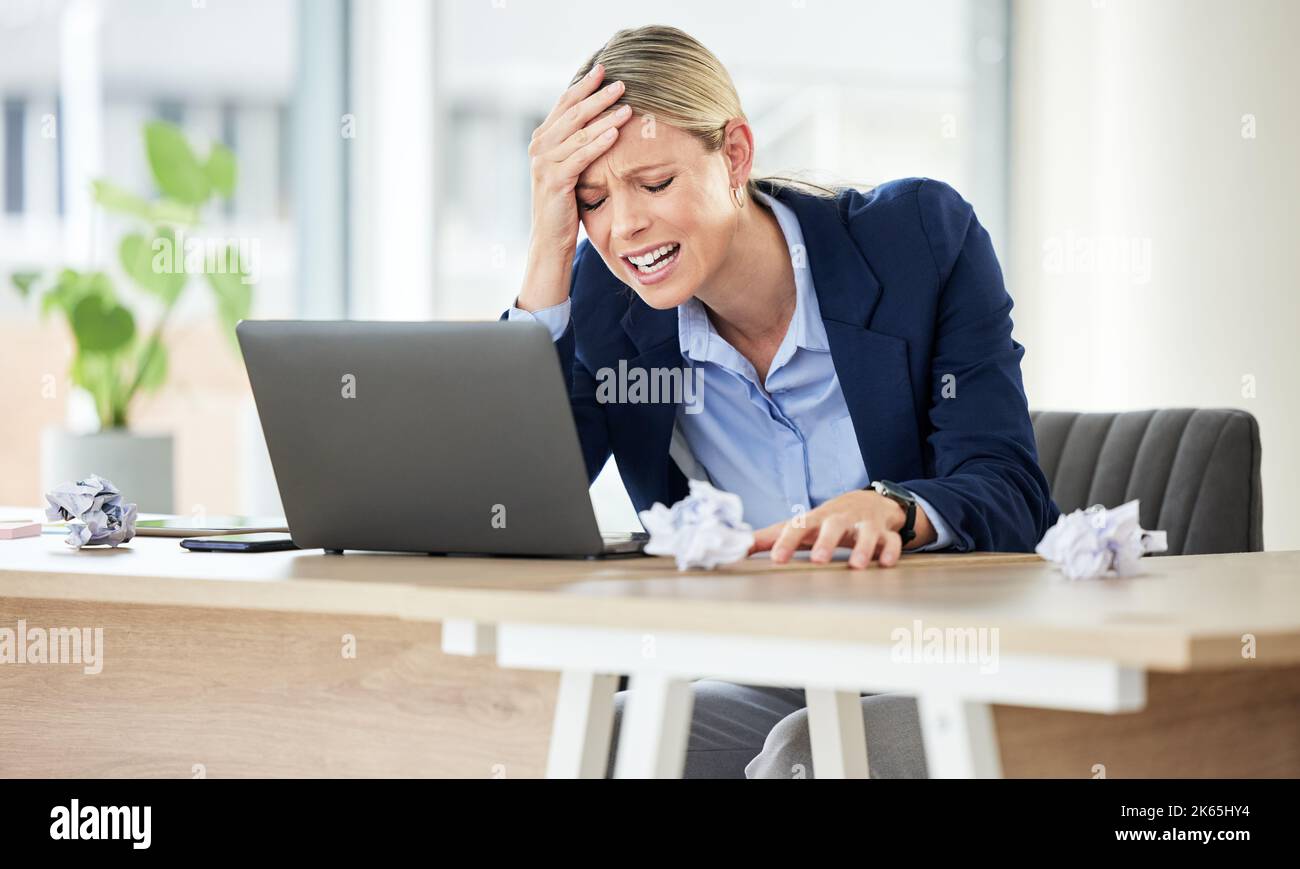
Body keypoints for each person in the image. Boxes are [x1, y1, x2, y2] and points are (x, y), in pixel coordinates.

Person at [506, 25, 1059, 778]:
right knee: (585, 739)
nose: (624, 226)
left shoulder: (919, 240)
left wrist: (894, 506)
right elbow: (517, 503)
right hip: (777, 667)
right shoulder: (607, 295)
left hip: (945, 661)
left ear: (734, 155)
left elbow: (1009, 488)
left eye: (656, 184)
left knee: (806, 756)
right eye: (593, 199)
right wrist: (547, 249)